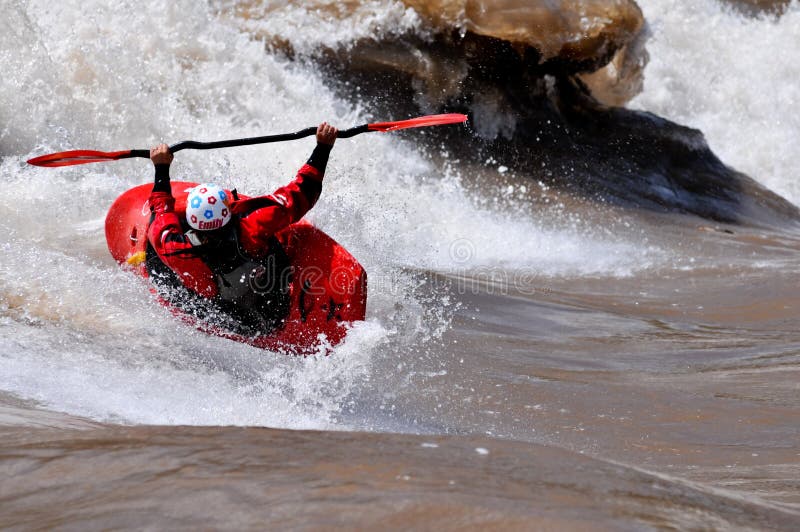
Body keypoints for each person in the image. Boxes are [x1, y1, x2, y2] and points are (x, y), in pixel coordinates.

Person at [145, 122, 338, 336]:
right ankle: (273, 315)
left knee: (180, 275)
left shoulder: (179, 250)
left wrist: (161, 169)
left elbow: (161, 217)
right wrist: (323, 147)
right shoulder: (253, 226)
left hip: (220, 303)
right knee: (267, 258)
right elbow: (301, 194)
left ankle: (250, 325)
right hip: (258, 290)